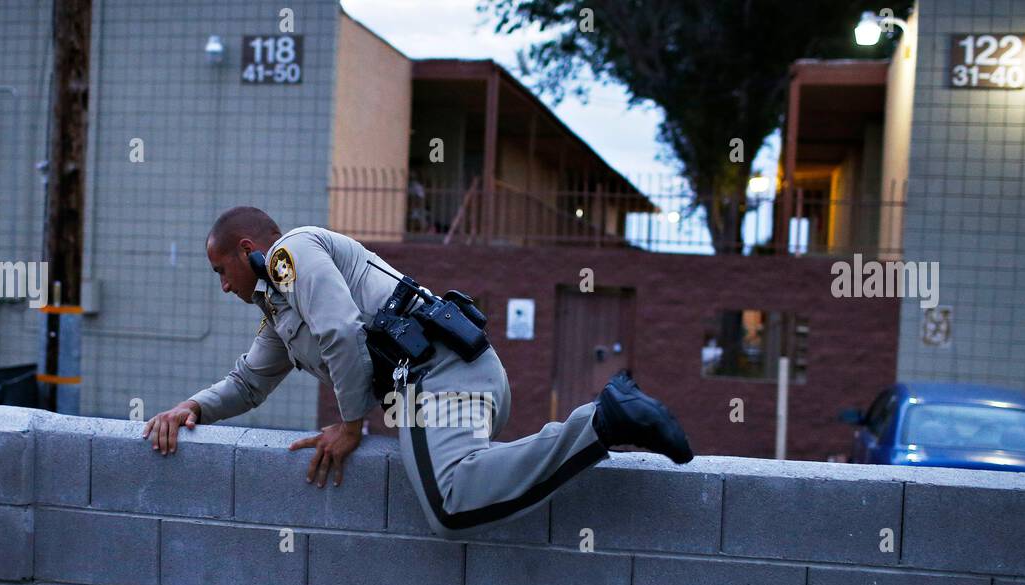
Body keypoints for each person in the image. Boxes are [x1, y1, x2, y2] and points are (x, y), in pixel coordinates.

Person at [142, 205, 693, 539]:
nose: (223, 286)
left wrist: (350, 426)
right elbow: (247, 383)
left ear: (248, 249)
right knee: (456, 499)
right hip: (444, 384)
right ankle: (603, 421)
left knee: (449, 506)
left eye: (222, 271)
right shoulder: (281, 311)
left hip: (443, 374)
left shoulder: (290, 253)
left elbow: (340, 331)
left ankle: (604, 421)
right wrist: (190, 408)